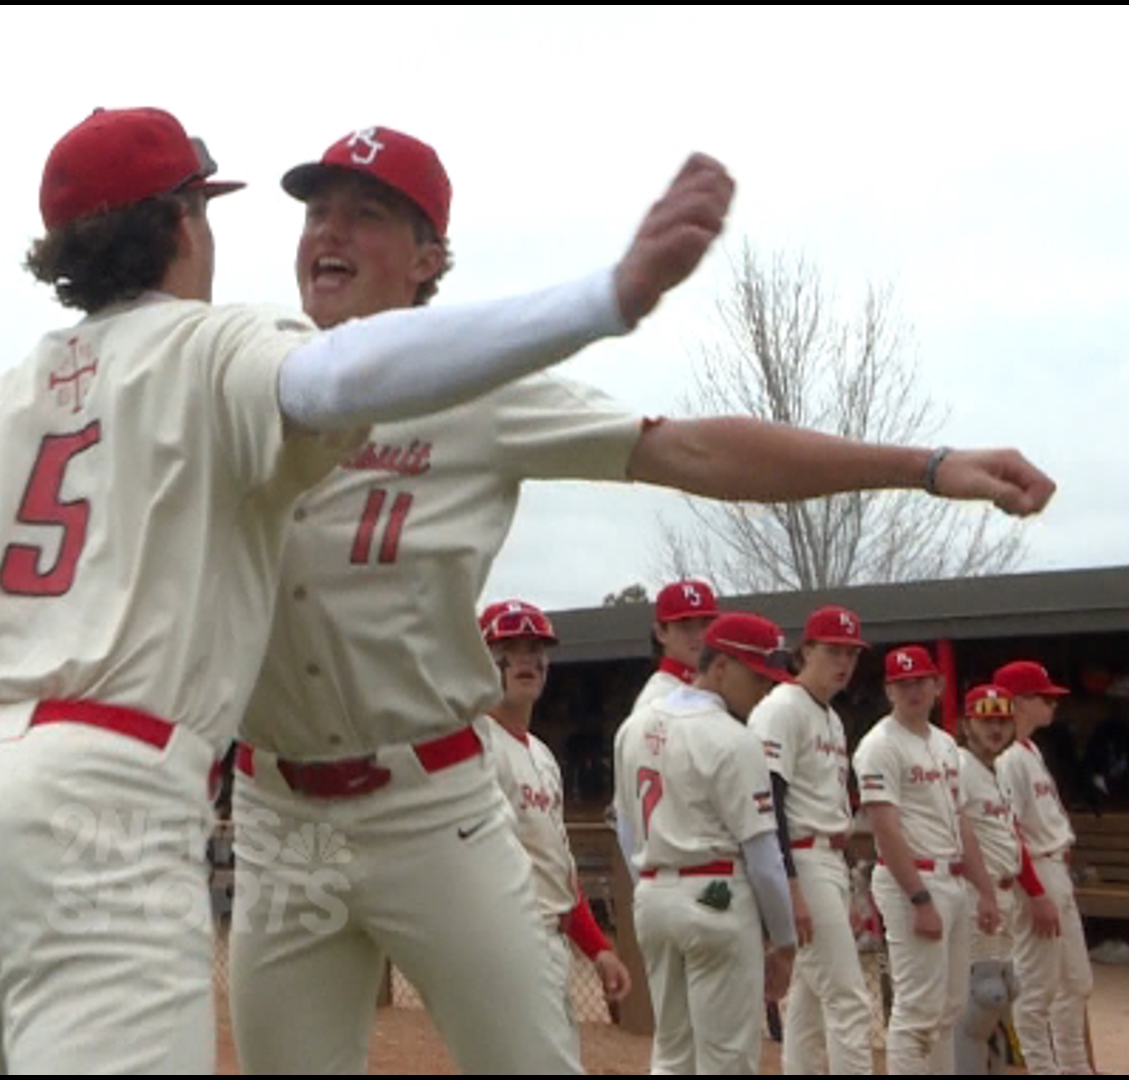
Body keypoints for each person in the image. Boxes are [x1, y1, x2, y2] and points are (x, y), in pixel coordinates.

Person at [0, 106, 743, 1073]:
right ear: (181, 224)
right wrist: (605, 295)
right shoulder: (219, 347)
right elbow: (348, 370)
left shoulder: (7, 392)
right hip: (96, 793)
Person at [224, 125, 1056, 1076]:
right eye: (316, 210)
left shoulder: (480, 392)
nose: (327, 231)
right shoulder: (240, 371)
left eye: (364, 214)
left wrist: (926, 465)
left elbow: (694, 451)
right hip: (277, 810)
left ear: (427, 261)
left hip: (429, 805)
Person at [614, 611, 800, 1074]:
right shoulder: (736, 739)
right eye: (757, 677)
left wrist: (654, 885)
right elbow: (763, 856)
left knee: (673, 1055)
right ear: (720, 667)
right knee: (728, 1059)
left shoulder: (634, 725)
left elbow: (624, 827)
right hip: (717, 895)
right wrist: (784, 938)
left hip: (654, 894)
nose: (764, 691)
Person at [480, 600, 633, 1063]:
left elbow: (557, 866)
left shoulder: (542, 755)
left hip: (548, 938)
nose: (527, 659)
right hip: (504, 937)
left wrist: (597, 948)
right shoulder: (474, 743)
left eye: (536, 648)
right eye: (509, 647)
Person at [851, 646, 1003, 1073]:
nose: (912, 690)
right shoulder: (879, 744)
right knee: (917, 1011)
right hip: (913, 878)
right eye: (901, 683)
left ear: (938, 685)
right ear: (888, 690)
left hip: (952, 877)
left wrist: (985, 891)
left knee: (950, 1007)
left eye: (919, 680)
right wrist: (919, 899)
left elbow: (961, 822)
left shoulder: (943, 743)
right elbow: (885, 827)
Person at [744, 604, 882, 1075]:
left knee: (807, 1001)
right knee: (848, 998)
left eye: (852, 653)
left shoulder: (831, 717)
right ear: (806, 651)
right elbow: (769, 801)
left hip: (828, 858)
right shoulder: (782, 707)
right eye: (833, 650)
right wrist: (791, 885)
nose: (844, 662)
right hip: (802, 857)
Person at [994, 659, 1094, 1075]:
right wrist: (1035, 892)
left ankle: (1074, 1067)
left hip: (1055, 868)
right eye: (1045, 697)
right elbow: (1009, 830)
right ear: (1020, 702)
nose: (1053, 704)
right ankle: (1042, 1069)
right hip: (1034, 871)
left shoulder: (1031, 750)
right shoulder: (1005, 758)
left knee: (1077, 983)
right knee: (1036, 991)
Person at [957, 682, 1061, 1074]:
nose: (996, 729)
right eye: (986, 721)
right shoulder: (961, 767)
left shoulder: (996, 770)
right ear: (966, 725)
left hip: (1003, 894)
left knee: (1001, 996)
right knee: (981, 998)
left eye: (1002, 721)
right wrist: (983, 891)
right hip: (974, 895)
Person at [633, 578, 723, 713]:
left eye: (705, 625)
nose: (699, 636)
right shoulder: (658, 699)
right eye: (686, 627)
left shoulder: (719, 687)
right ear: (661, 633)